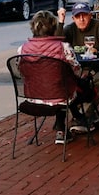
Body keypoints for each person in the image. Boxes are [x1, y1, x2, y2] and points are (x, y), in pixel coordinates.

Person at [17, 10, 90, 145]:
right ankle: (76, 120)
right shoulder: (63, 48)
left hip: (33, 97)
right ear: (53, 27)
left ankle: (63, 126)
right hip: (61, 96)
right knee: (76, 86)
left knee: (59, 86)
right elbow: (77, 71)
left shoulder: (22, 49)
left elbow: (21, 72)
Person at [56, 2, 99, 125]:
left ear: (90, 15)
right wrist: (60, 22)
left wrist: (97, 52)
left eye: (84, 15)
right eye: (78, 16)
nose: (81, 19)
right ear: (73, 18)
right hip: (76, 71)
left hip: (97, 69)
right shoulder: (69, 29)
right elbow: (56, 44)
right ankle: (76, 116)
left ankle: (84, 115)